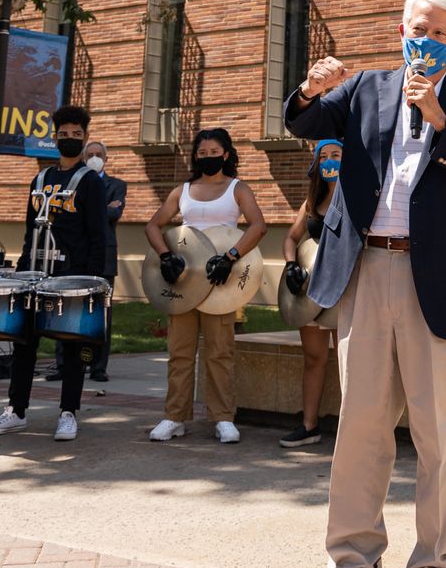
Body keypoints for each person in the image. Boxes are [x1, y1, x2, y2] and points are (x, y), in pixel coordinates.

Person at [284, 0, 446, 568]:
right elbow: (304, 123)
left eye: (440, 32)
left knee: (439, 433)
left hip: (440, 277)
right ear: (400, 29)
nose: (426, 40)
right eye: (418, 28)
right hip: (367, 269)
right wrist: (309, 89)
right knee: (360, 427)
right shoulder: (366, 88)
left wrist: (442, 120)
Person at [0, 106, 109, 442]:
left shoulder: (90, 182)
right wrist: (23, 270)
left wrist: (92, 280)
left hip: (71, 273)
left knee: (72, 345)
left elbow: (99, 234)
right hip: (35, 271)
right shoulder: (40, 179)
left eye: (76, 134)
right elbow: (29, 230)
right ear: (55, 137)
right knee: (24, 344)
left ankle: (68, 412)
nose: (69, 139)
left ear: (85, 138)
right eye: (63, 134)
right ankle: (16, 410)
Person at [144, 127, 266, 445]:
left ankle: (223, 418)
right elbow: (154, 225)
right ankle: (174, 417)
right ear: (195, 156)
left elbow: (258, 226)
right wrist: (165, 256)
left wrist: (231, 257)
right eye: (202, 153)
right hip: (184, 281)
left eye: (214, 152)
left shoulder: (237, 189)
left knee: (220, 352)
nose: (208, 157)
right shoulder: (182, 190)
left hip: (220, 281)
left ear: (226, 154)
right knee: (180, 352)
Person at [279, 139, 343, 448]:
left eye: (336, 155)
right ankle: (309, 425)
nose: (329, 161)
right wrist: (291, 264)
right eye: (324, 156)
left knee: (348, 361)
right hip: (311, 290)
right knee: (314, 357)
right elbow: (291, 238)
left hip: (343, 289)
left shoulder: (356, 197)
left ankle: (353, 431)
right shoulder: (311, 201)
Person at [48, 141, 125, 386]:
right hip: (73, 255)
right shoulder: (73, 181)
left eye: (98, 154)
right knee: (65, 309)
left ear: (106, 158)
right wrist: (100, 207)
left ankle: (98, 366)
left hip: (103, 257)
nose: (94, 158)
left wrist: (85, 208)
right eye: (90, 154)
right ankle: (63, 364)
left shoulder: (117, 185)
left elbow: (114, 214)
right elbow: (64, 213)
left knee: (102, 312)